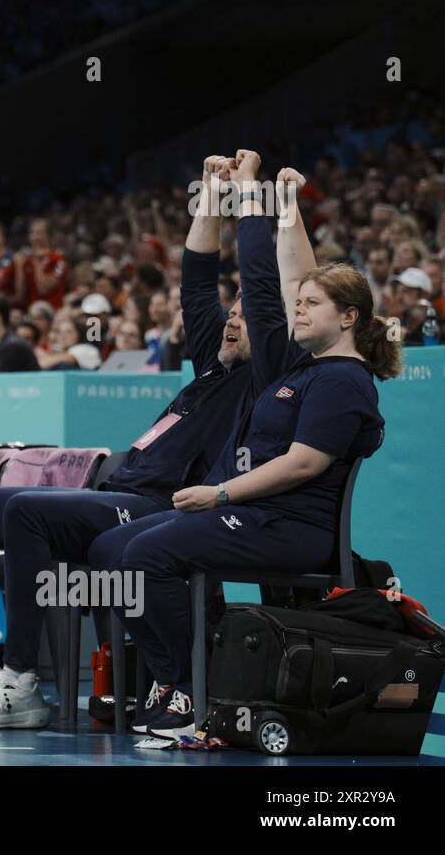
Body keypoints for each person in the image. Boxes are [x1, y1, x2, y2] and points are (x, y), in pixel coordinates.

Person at [0, 151, 295, 727]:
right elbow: (195, 278)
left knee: (26, 512)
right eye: (229, 312)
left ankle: (21, 682)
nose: (232, 319)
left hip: (161, 506)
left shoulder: (266, 380)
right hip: (117, 490)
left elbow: (261, 290)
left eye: (244, 315)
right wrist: (213, 195)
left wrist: (251, 192)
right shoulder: (213, 366)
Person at [90, 260, 398, 738]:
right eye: (297, 302)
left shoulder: (342, 379)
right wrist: (286, 216)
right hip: (255, 515)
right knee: (108, 549)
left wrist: (220, 493)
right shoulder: (307, 368)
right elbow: (294, 268)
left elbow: (304, 463)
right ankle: (169, 676)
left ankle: (193, 687)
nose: (298, 310)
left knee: (146, 554)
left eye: (312, 303)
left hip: (292, 528)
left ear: (348, 317)